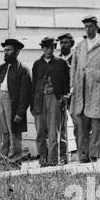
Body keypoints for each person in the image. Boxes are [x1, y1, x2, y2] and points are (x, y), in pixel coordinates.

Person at [70, 16, 100, 163]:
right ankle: (83, 156)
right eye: (86, 27)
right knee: (82, 125)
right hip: (81, 90)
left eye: (91, 26)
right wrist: (73, 88)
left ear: (96, 27)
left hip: (97, 89)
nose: (88, 29)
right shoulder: (80, 46)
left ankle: (94, 155)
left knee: (96, 124)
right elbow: (74, 69)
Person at [30, 37, 71, 167]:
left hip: (55, 97)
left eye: (52, 47)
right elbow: (34, 84)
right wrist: (33, 104)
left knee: (54, 131)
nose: (49, 50)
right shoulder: (37, 64)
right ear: (42, 48)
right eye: (46, 47)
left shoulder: (61, 63)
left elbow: (68, 83)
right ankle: (43, 159)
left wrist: (64, 97)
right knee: (40, 131)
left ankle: (53, 160)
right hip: (39, 99)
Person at [0, 39, 31, 171]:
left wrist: (20, 112)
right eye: (5, 50)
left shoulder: (23, 69)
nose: (6, 53)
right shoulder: (1, 68)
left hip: (12, 102)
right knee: (1, 133)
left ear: (17, 52)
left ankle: (14, 162)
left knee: (14, 132)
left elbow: (26, 94)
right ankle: (3, 162)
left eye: (9, 50)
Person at [56, 33, 75, 164]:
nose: (63, 45)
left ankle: (84, 154)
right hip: (61, 97)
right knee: (61, 126)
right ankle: (64, 155)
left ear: (71, 44)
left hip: (74, 95)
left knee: (79, 125)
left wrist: (71, 92)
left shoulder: (76, 58)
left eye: (66, 42)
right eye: (61, 42)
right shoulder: (57, 60)